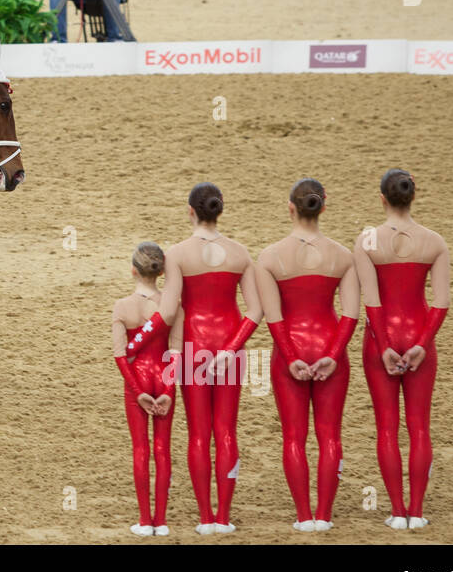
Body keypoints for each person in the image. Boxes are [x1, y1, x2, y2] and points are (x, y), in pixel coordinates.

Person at [153, 183, 262, 534]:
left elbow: (169, 310)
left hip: (192, 347)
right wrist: (231, 349)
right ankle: (225, 516)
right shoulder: (240, 253)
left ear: (191, 211)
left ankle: (204, 518)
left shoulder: (178, 255)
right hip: (231, 343)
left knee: (199, 434)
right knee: (226, 430)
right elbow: (255, 310)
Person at [255, 179, 360, 532]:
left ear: (290, 207)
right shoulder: (343, 256)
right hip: (330, 343)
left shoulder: (269, 257)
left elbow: (274, 317)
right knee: (330, 434)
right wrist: (333, 354)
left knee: (293, 436)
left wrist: (289, 356)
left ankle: (303, 516)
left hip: (292, 349)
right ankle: (325, 515)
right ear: (323, 208)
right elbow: (350, 314)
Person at [354, 169, 451, 531]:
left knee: (386, 428)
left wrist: (382, 345)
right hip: (418, 332)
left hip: (381, 338)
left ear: (383, 199)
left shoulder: (367, 240)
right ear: (413, 197)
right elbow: (441, 303)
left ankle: (396, 510)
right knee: (420, 427)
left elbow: (372, 302)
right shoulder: (435, 242)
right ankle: (417, 509)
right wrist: (423, 345)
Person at [112, 242, 180, 537]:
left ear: (133, 271)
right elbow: (177, 350)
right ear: (162, 272)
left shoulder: (122, 306)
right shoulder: (173, 305)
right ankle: (161, 520)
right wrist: (167, 388)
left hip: (137, 377)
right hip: (163, 375)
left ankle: (144, 520)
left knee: (141, 449)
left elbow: (120, 354)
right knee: (163, 449)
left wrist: (137, 390)